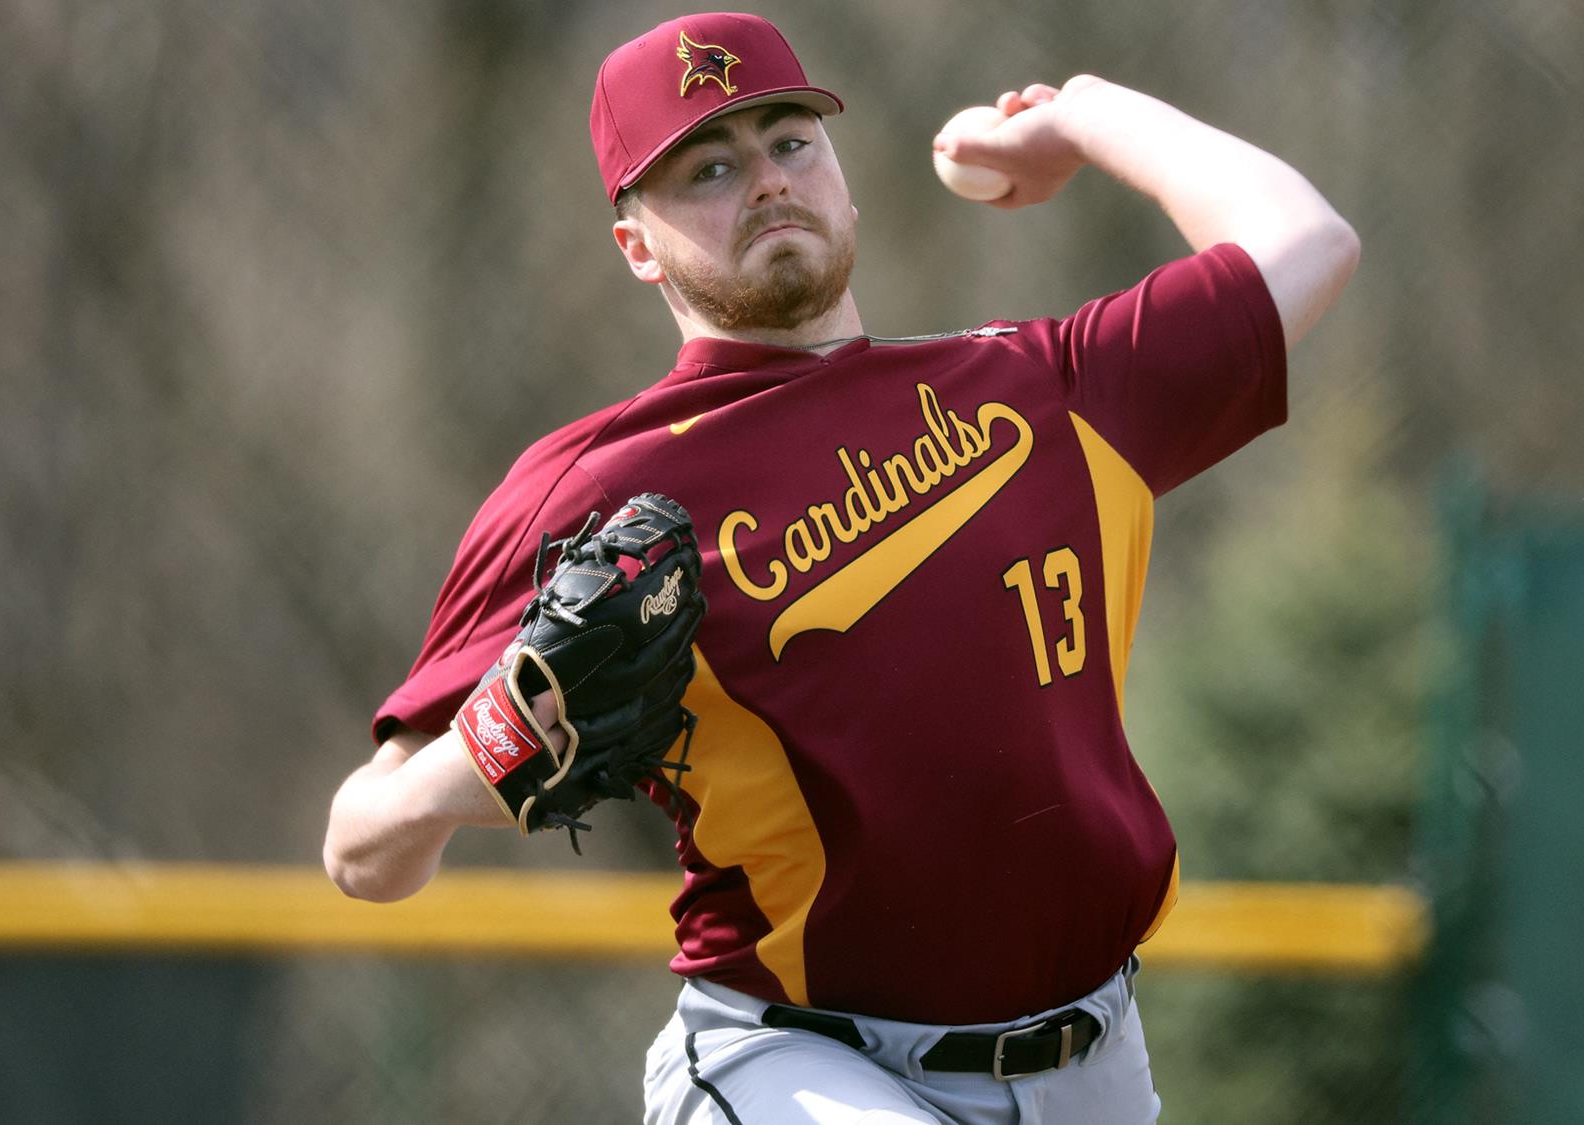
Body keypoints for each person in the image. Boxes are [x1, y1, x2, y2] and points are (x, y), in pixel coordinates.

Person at [323, 10, 1358, 1123]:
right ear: (636, 245)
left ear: (843, 182)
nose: (767, 180)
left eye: (790, 142)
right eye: (709, 168)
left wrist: (1081, 117)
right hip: (801, 1061)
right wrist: (479, 755)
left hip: (1097, 1059)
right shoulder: (596, 491)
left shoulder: (1038, 390)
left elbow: (1306, 242)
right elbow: (360, 850)